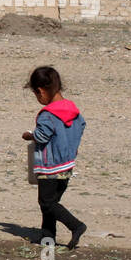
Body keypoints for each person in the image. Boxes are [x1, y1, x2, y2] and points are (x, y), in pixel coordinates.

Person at [21, 65, 87, 249]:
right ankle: (47, 238)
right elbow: (81, 127)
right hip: (66, 165)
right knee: (50, 204)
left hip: (50, 167)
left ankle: (76, 226)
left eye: (36, 94)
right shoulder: (73, 109)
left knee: (47, 203)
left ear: (41, 91)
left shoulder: (48, 115)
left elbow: (41, 136)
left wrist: (29, 135)